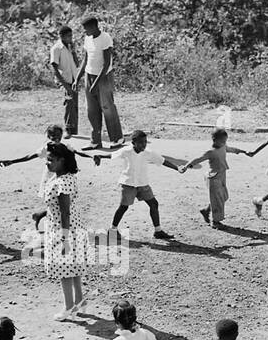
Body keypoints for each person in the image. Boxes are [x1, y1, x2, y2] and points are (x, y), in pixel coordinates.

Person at [37, 143, 98, 322]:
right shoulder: (67, 177)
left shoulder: (62, 182)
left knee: (64, 269)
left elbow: (65, 211)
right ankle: (80, 301)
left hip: (64, 228)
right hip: (71, 225)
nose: (47, 163)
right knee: (74, 267)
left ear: (61, 160)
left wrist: (64, 239)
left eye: (51, 160)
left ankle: (68, 306)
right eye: (47, 159)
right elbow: (61, 207)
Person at [179, 127, 257, 228]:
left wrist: (244, 151)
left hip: (222, 175)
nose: (224, 143)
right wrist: (185, 166)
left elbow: (232, 149)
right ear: (214, 140)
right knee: (217, 199)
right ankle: (215, 221)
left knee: (224, 196)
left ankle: (206, 211)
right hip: (214, 177)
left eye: (225, 141)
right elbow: (197, 159)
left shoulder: (223, 146)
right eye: (222, 141)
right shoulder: (211, 152)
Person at [108, 130, 178, 239]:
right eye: (140, 142)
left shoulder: (148, 152)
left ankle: (158, 231)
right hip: (128, 183)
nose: (143, 145)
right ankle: (112, 230)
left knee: (154, 204)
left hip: (142, 184)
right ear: (133, 143)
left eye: (145, 142)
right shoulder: (126, 151)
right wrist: (98, 156)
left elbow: (162, 161)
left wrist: (177, 168)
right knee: (123, 207)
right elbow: (112, 155)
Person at [76, 16, 122, 148]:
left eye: (86, 28)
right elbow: (85, 60)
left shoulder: (105, 38)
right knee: (91, 110)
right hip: (89, 75)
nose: (84, 31)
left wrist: (96, 83)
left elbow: (107, 63)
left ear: (94, 26)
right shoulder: (87, 39)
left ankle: (117, 139)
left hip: (103, 77)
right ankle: (96, 141)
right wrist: (78, 78)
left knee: (107, 107)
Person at [49, 25, 80, 138]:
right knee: (68, 103)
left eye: (71, 36)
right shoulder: (56, 48)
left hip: (73, 80)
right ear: (61, 36)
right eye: (68, 36)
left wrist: (73, 52)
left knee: (74, 105)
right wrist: (65, 86)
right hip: (64, 80)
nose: (70, 38)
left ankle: (74, 130)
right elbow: (54, 68)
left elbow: (77, 64)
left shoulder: (70, 47)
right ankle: (67, 129)